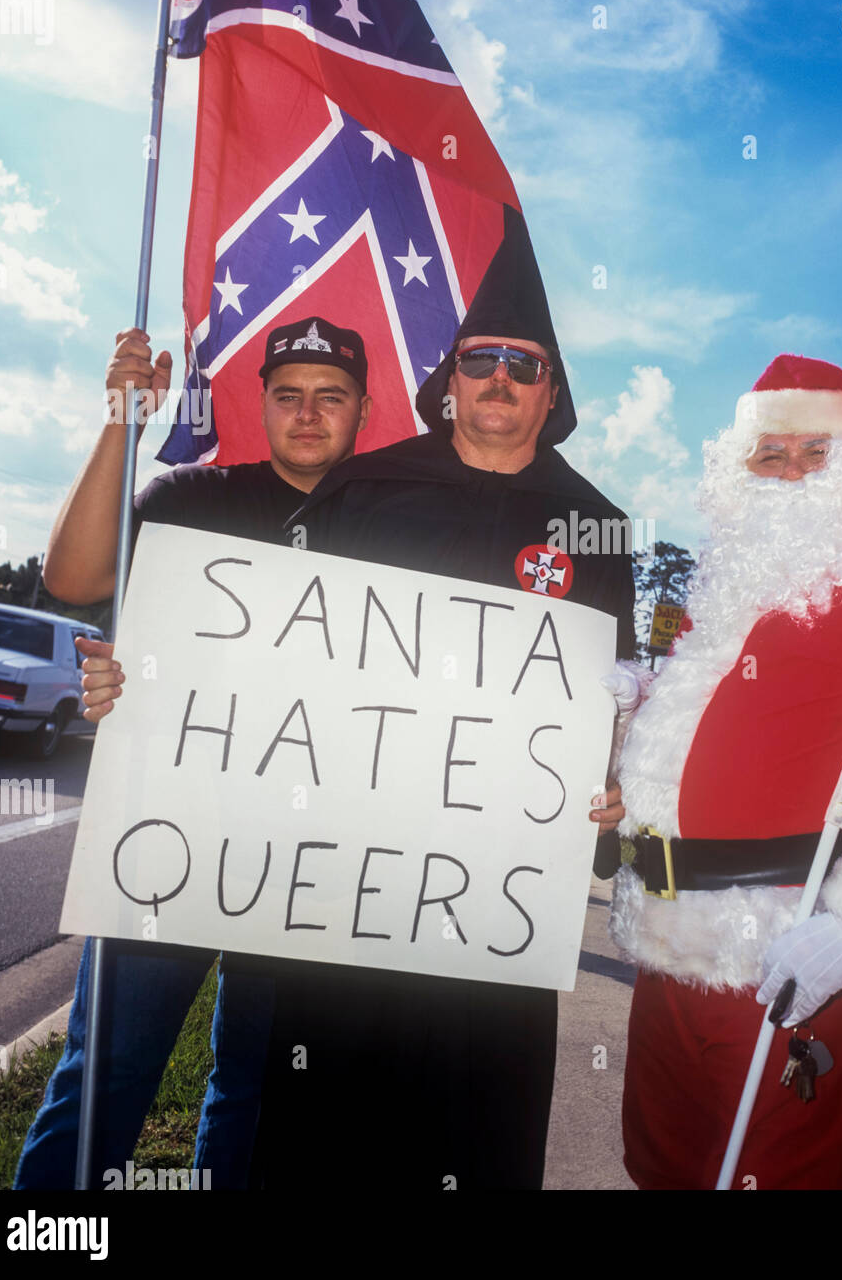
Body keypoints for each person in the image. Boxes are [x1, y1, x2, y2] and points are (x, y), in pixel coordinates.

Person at [237, 206, 637, 1190]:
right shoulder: (356, 491)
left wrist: (616, 780)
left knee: (476, 1134)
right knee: (317, 1137)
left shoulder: (595, 527)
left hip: (497, 901)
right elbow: (273, 657)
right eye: (480, 358)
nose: (498, 377)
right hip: (344, 884)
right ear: (447, 380)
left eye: (524, 364)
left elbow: (614, 694)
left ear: (552, 394)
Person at [15, 315, 372, 1190]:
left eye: (332, 397)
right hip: (166, 842)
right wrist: (121, 423)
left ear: (364, 408)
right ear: (259, 403)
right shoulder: (191, 497)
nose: (309, 415)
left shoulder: (393, 527)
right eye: (288, 396)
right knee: (107, 1075)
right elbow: (73, 577)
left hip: (306, 860)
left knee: (253, 1087)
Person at [610, 354, 842, 1190]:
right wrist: (635, 712)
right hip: (671, 950)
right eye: (768, 457)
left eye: (814, 454)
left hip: (802, 956)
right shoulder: (726, 595)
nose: (787, 475)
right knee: (663, 1167)